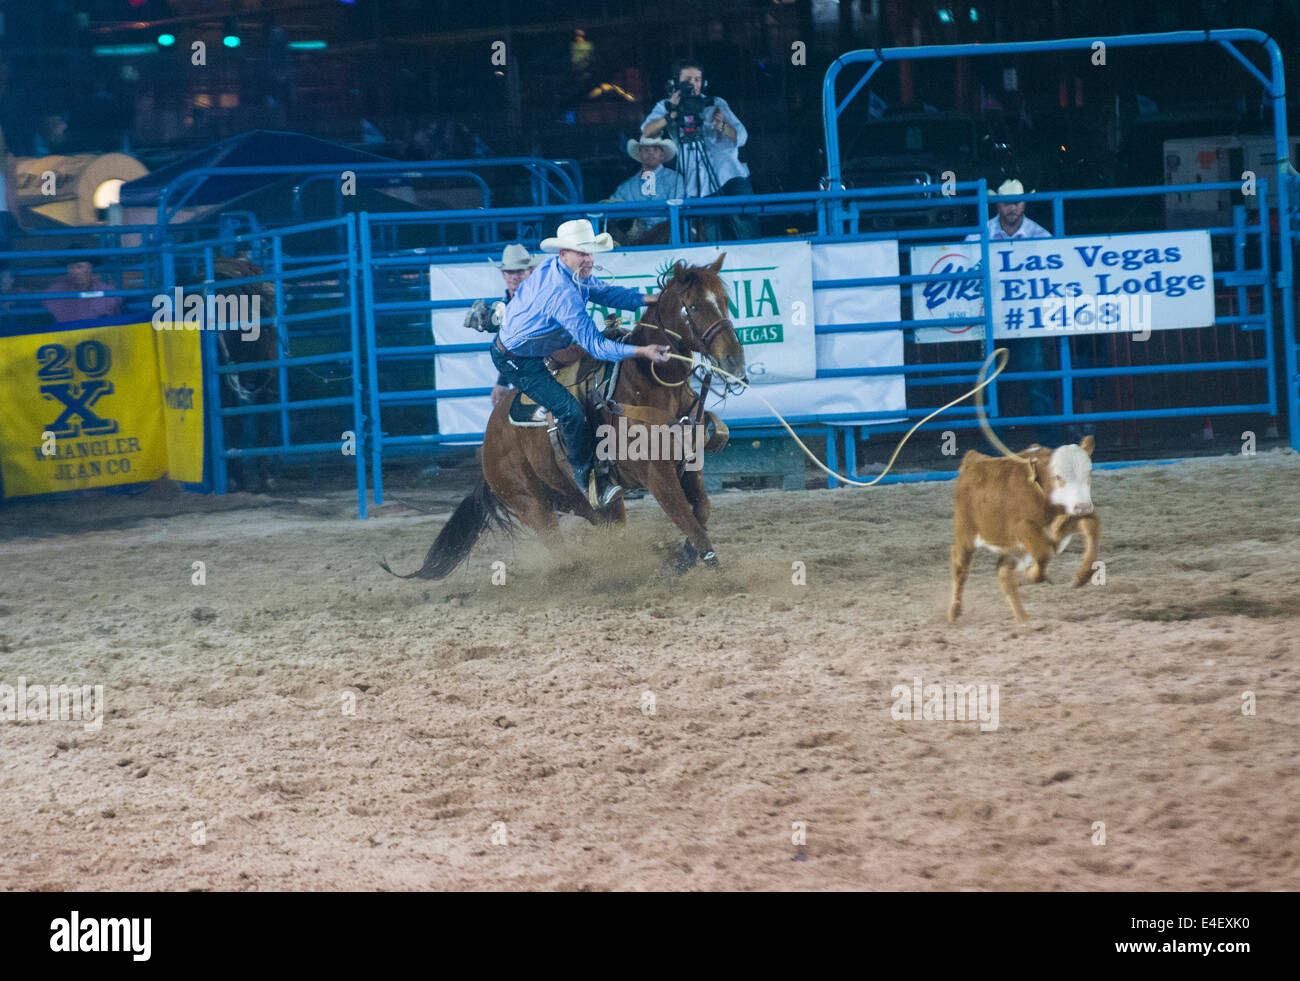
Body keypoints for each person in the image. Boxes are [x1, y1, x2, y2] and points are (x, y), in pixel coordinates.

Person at [491, 219, 669, 507]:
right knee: (570, 411)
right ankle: (587, 480)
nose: (587, 258)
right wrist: (643, 351)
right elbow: (596, 346)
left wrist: (651, 299)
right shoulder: (562, 293)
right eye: (580, 252)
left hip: (538, 343)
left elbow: (604, 292)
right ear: (563, 254)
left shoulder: (564, 270)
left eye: (589, 252)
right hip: (519, 360)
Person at [965, 178, 1056, 441]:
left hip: (1025, 321)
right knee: (996, 385)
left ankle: (1045, 442)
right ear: (998, 206)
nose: (1012, 209)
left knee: (1034, 383)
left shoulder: (1039, 236)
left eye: (1016, 203)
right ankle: (999, 444)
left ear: (1023, 204)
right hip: (997, 321)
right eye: (1007, 204)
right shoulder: (983, 234)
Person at [639, 59, 757, 240]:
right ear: (675, 83)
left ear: (703, 83)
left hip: (730, 176)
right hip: (698, 185)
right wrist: (672, 114)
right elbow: (646, 132)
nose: (693, 84)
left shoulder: (715, 102)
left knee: (745, 233)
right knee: (710, 238)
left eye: (697, 79)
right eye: (688, 79)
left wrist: (722, 126)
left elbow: (742, 137)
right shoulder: (666, 106)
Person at [462, 243, 543, 407]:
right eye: (510, 272)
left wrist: (502, 382)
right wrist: (502, 382)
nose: (515, 277)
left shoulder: (539, 302)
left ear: (530, 272)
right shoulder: (504, 307)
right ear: (503, 274)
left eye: (520, 271)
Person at [605, 136, 686, 244]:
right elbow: (610, 207)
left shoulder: (675, 179)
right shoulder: (627, 186)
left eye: (655, 150)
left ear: (662, 155)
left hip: (668, 237)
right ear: (639, 154)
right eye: (646, 150)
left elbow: (680, 209)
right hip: (636, 241)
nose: (651, 153)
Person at [41, 258, 123, 323]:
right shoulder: (54, 292)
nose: (75, 272)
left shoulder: (108, 292)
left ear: (90, 268)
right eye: (71, 267)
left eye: (79, 267)